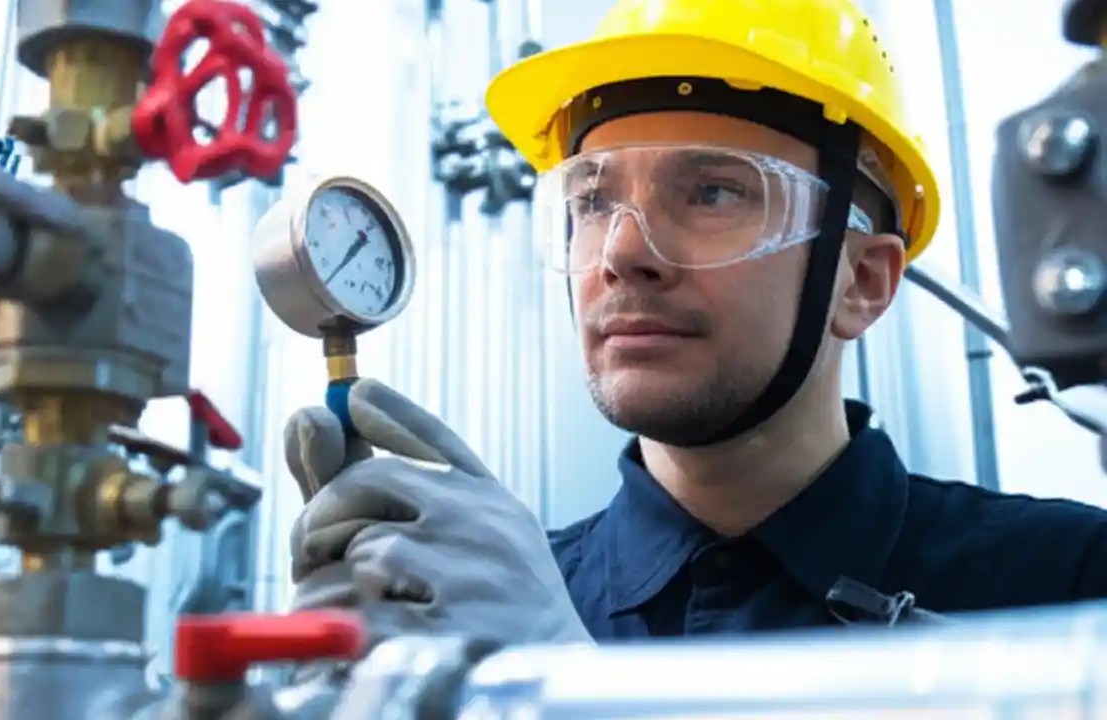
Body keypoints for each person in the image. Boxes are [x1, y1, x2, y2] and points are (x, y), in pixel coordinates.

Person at [282, 0, 1107, 645]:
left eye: (714, 192)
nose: (621, 255)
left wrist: (559, 690)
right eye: (593, 200)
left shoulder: (1065, 588)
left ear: (861, 280)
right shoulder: (481, 605)